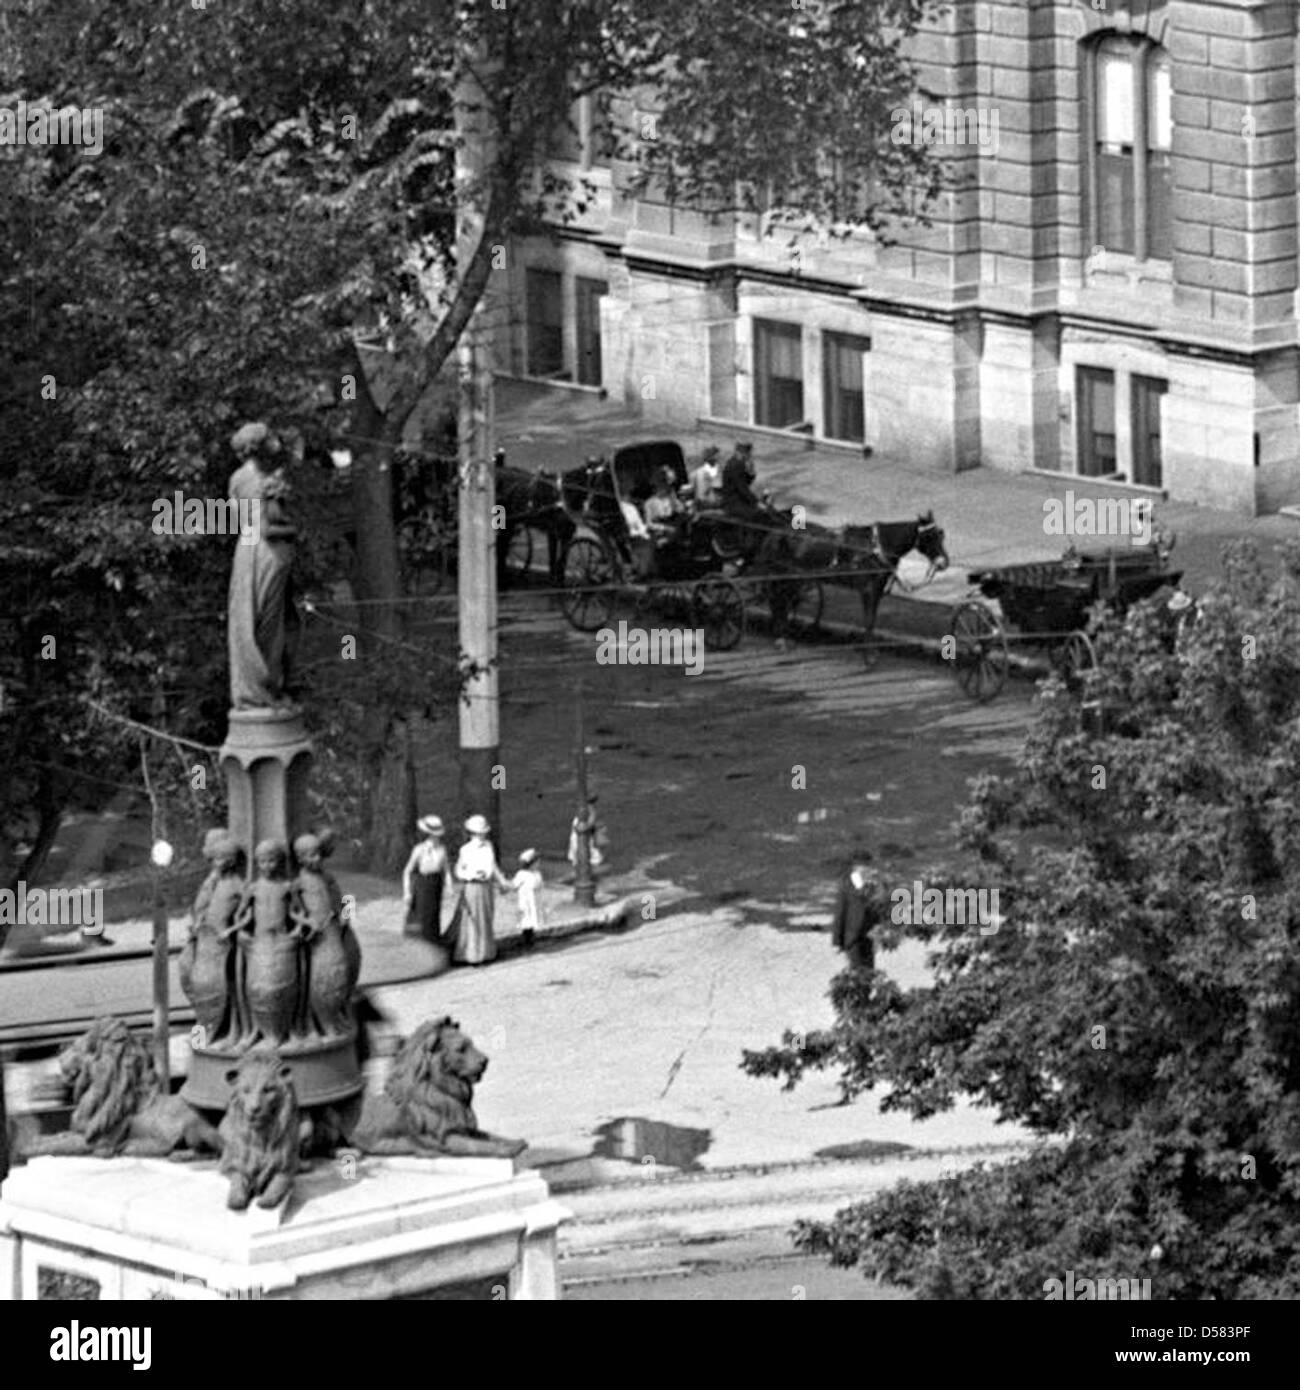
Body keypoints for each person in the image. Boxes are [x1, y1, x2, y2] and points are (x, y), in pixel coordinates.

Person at [227, 422, 299, 710]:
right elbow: (273, 527)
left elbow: (237, 519)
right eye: (270, 437)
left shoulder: (237, 479)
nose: (275, 440)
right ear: (259, 445)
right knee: (269, 624)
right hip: (268, 551)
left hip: (247, 551)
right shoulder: (267, 482)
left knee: (249, 619)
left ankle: (254, 689)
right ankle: (263, 690)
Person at [445, 815, 510, 965]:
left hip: (486, 887)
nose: (481, 836)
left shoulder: (488, 846)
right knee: (473, 920)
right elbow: (459, 870)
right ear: (472, 833)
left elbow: (493, 866)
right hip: (472, 887)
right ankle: (472, 955)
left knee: (486, 918)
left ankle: (486, 952)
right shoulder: (466, 850)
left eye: (482, 832)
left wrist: (501, 881)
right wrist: (471, 875)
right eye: (478, 833)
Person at [831, 854, 885, 973]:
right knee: (856, 969)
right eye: (865, 866)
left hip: (869, 935)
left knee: (869, 969)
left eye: (869, 866)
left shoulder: (873, 884)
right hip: (852, 936)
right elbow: (840, 912)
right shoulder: (846, 884)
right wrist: (837, 941)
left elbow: (878, 910)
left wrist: (879, 935)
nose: (869, 869)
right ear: (857, 867)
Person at [401, 814, 448, 945]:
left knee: (434, 916)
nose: (435, 836)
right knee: (421, 917)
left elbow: (446, 868)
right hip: (423, 884)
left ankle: (434, 944)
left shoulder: (442, 849)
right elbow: (407, 871)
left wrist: (448, 885)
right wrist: (407, 892)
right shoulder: (419, 849)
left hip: (436, 884)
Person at [510, 848, 544, 948]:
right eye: (536, 863)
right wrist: (506, 887)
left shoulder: (537, 874)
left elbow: (540, 885)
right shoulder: (522, 874)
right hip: (525, 901)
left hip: (534, 900)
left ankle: (531, 936)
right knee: (526, 918)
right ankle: (526, 939)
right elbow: (514, 885)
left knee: (533, 918)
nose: (538, 865)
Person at [643, 467, 685, 545]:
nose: (669, 487)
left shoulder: (672, 498)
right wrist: (665, 528)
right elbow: (649, 524)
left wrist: (678, 506)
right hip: (663, 536)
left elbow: (681, 513)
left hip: (677, 534)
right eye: (665, 483)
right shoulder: (649, 503)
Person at [568, 797, 607, 873]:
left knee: (588, 857)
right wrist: (593, 814)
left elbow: (590, 824)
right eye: (590, 805)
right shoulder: (580, 819)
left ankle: (583, 868)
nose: (593, 807)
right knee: (587, 858)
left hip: (585, 840)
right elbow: (585, 826)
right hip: (580, 842)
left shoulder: (586, 815)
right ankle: (584, 871)